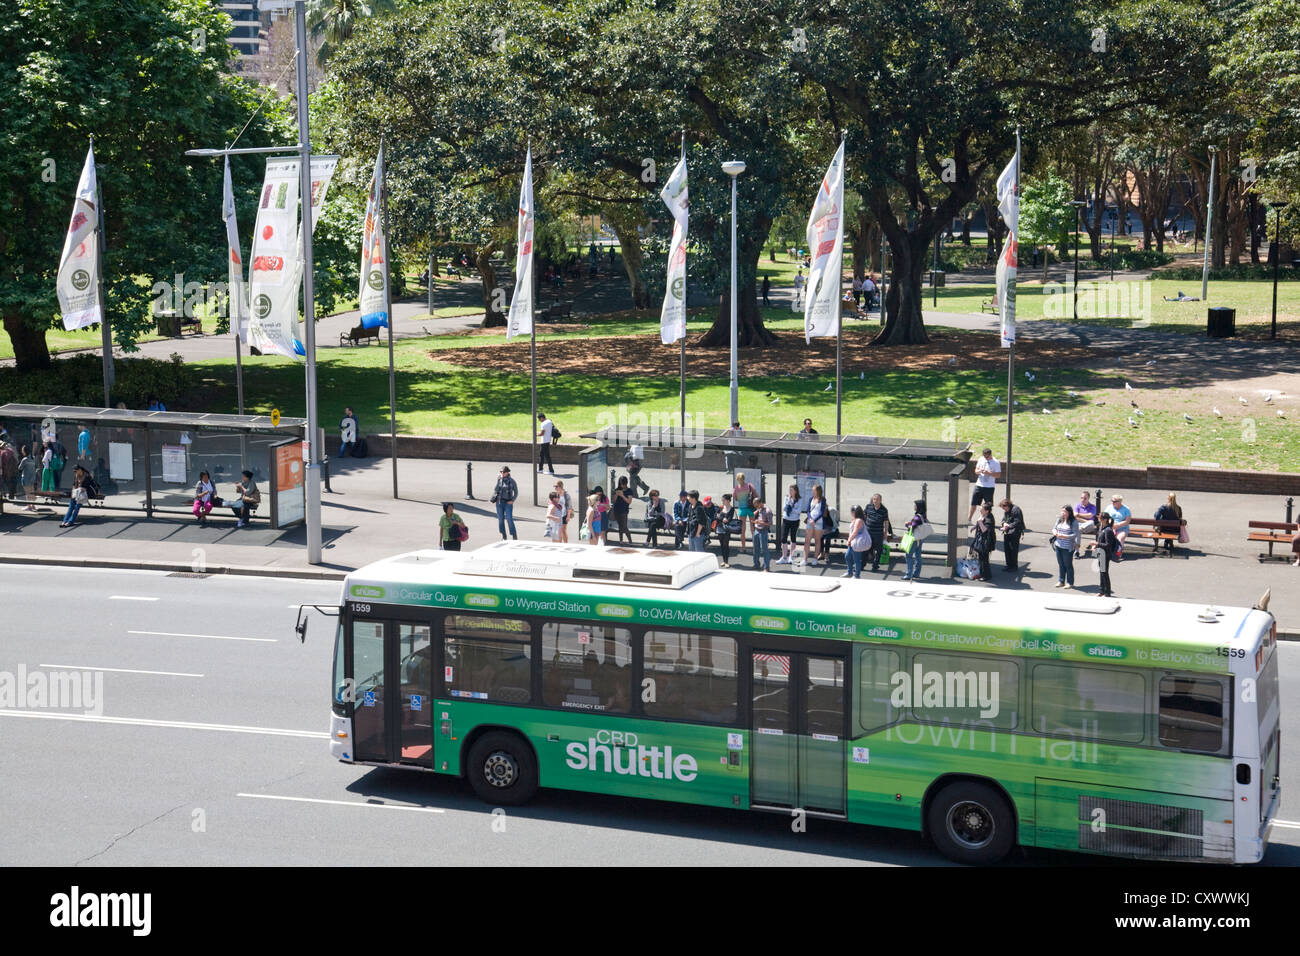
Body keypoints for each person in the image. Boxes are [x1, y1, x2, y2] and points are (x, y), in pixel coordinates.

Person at [967, 447, 1001, 522]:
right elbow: (976, 470)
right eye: (984, 456)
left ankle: (987, 520)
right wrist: (979, 471)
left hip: (989, 487)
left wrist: (988, 473)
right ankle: (969, 519)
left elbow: (998, 475)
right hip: (979, 485)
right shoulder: (981, 459)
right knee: (974, 503)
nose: (986, 458)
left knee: (988, 506)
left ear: (990, 455)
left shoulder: (996, 462)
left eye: (987, 457)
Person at [1051, 504, 1080, 589]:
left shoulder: (1074, 522)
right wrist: (1055, 533)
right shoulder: (1059, 519)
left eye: (1065, 511)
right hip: (1058, 545)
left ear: (1069, 512)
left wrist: (1064, 536)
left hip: (1067, 547)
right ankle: (1061, 581)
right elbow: (1054, 528)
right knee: (1061, 564)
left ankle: (1070, 582)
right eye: (1062, 511)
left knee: (1068, 565)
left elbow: (1075, 534)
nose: (1063, 513)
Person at [863, 493, 891, 572]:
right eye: (874, 499)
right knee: (865, 549)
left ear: (880, 500)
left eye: (877, 499)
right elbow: (864, 516)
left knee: (878, 550)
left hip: (878, 533)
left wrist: (885, 533)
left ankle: (875, 566)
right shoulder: (868, 507)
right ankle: (862, 564)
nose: (875, 501)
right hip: (868, 532)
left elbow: (886, 522)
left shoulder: (884, 510)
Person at [801, 484, 827, 567]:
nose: (812, 491)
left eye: (814, 490)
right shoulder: (810, 499)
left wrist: (814, 520)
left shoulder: (822, 500)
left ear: (818, 491)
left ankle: (815, 559)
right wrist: (810, 519)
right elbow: (808, 510)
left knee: (817, 540)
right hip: (810, 521)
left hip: (818, 522)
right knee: (807, 541)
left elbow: (822, 511)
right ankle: (805, 559)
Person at [902, 499, 927, 581]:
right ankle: (916, 573)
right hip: (920, 538)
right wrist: (911, 523)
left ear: (918, 507)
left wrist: (907, 525)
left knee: (908, 556)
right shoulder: (923, 515)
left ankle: (909, 574)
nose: (914, 506)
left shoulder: (917, 517)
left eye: (915, 505)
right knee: (918, 556)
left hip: (914, 539)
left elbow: (912, 527)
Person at [1094, 512, 1119, 597]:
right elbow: (1100, 540)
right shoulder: (1101, 527)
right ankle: (1102, 591)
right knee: (1102, 572)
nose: (1098, 519)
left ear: (1104, 520)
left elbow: (1108, 545)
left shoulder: (1108, 530)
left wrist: (1096, 544)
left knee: (1104, 573)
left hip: (1105, 554)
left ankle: (1107, 592)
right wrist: (1095, 546)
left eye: (1100, 518)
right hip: (1100, 552)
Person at [971, 502, 996, 582]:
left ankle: (986, 576)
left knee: (984, 560)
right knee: (982, 558)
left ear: (987, 511)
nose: (980, 510)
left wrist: (980, 522)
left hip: (986, 543)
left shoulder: (989, 518)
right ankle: (984, 574)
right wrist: (975, 526)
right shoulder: (985, 515)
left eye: (982, 509)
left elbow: (985, 530)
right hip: (982, 542)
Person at [777, 483, 801, 565]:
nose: (790, 491)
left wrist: (791, 508)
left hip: (795, 521)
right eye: (789, 490)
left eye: (792, 490)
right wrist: (790, 503)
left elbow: (799, 511)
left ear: (795, 491)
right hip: (786, 519)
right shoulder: (786, 497)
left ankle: (791, 556)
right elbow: (784, 508)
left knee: (793, 538)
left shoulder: (799, 499)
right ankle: (784, 557)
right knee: (783, 538)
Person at [999, 497, 1025, 571]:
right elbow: (1004, 519)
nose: (1004, 510)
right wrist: (1004, 523)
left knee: (1013, 549)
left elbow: (1017, 521)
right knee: (1007, 549)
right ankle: (1009, 565)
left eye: (1004, 508)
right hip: (1008, 531)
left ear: (1007, 506)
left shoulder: (1015, 510)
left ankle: (1013, 566)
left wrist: (1008, 526)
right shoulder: (1007, 510)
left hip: (1015, 532)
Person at [492, 465, 518, 540]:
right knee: (500, 519)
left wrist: (512, 500)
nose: (502, 473)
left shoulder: (512, 481)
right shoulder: (499, 479)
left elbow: (516, 492)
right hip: (499, 502)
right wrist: (498, 480)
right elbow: (496, 489)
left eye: (503, 472)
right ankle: (503, 535)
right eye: (501, 472)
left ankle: (514, 535)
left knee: (509, 519)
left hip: (508, 503)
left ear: (507, 472)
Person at [732, 471, 757, 548]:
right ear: (744, 478)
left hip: (742, 509)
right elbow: (756, 495)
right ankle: (755, 547)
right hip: (750, 508)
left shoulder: (736, 489)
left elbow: (735, 499)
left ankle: (743, 547)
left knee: (742, 529)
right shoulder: (749, 486)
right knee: (753, 528)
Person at [844, 505, 870, 579]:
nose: (851, 513)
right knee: (847, 556)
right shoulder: (855, 519)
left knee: (856, 559)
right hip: (852, 542)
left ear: (853, 512)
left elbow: (855, 532)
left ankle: (857, 575)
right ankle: (850, 572)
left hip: (857, 543)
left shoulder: (858, 520)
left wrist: (849, 540)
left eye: (851, 511)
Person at [714, 493, 737, 567]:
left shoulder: (732, 508)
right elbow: (716, 516)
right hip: (720, 528)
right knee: (721, 545)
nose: (722, 501)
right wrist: (722, 518)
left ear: (728, 501)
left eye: (723, 500)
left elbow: (729, 519)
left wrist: (723, 518)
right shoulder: (721, 508)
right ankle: (724, 561)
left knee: (726, 544)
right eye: (722, 500)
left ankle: (726, 561)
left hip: (727, 529)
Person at [752, 497, 773, 571]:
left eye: (756, 505)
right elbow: (757, 513)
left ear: (760, 503)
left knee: (764, 549)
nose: (756, 507)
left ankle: (766, 567)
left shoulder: (768, 511)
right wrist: (756, 513)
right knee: (755, 548)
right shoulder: (759, 508)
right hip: (756, 530)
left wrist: (760, 522)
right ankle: (756, 564)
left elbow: (770, 523)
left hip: (763, 531)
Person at [611, 477, 633, 544]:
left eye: (623, 484)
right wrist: (616, 495)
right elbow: (613, 501)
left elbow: (629, 501)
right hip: (616, 510)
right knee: (620, 526)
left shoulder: (629, 491)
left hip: (624, 511)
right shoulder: (617, 489)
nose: (622, 486)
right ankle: (621, 540)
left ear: (626, 483)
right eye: (620, 484)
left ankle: (630, 541)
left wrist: (622, 495)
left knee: (624, 526)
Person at [18, 444, 38, 511]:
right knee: (31, 492)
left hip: (26, 478)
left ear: (24, 451)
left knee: (27, 492)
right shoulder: (33, 458)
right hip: (32, 478)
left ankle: (29, 506)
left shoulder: (25, 459)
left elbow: (19, 468)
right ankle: (33, 505)